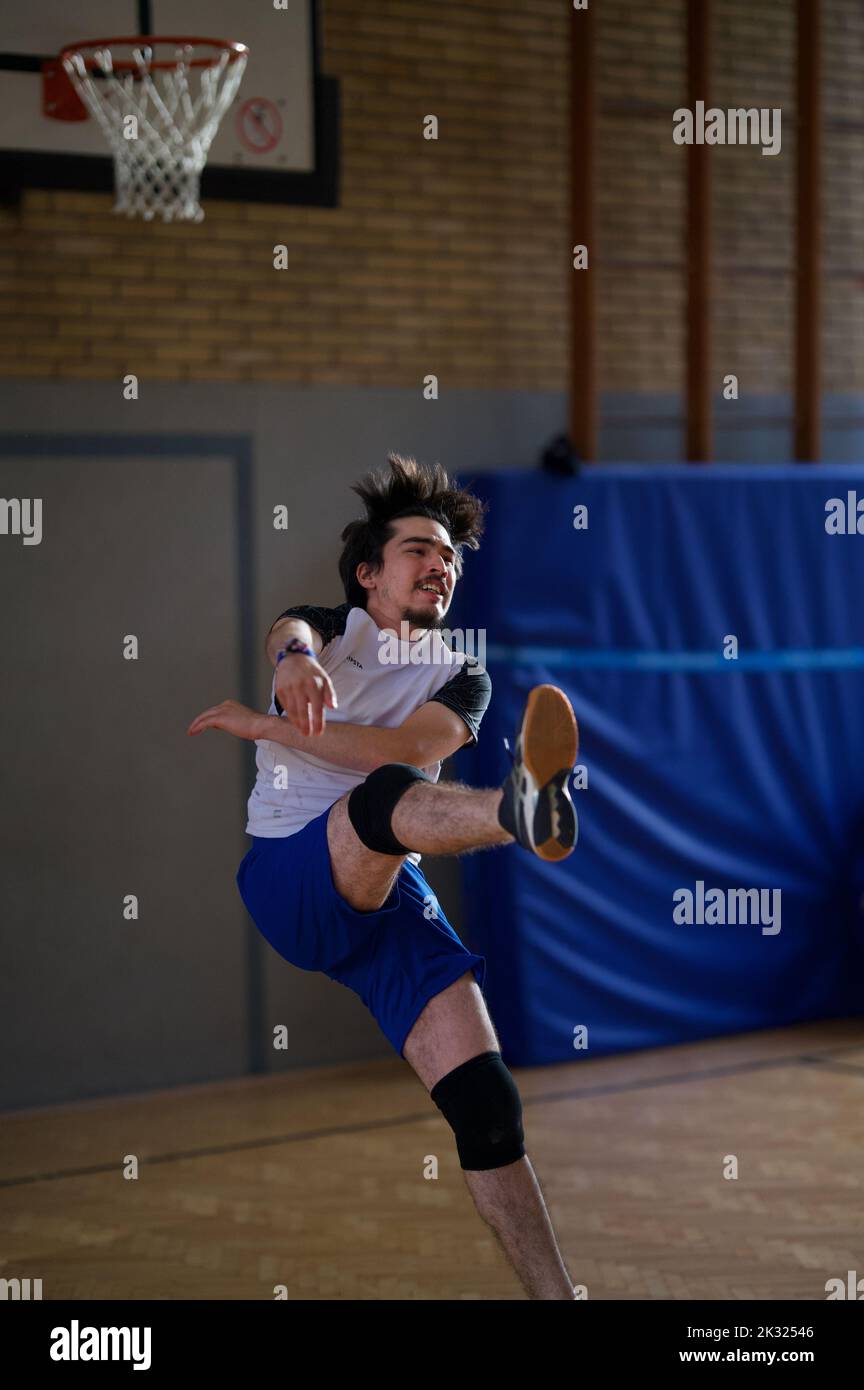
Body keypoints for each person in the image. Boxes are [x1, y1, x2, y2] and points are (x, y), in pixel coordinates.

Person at [188, 453, 580, 1299]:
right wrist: (289, 669)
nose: (441, 564)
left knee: (490, 1110)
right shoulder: (324, 631)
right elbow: (288, 636)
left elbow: (400, 750)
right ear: (369, 573)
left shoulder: (460, 673)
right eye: (418, 550)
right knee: (384, 801)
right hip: (290, 876)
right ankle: (518, 813)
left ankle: (558, 1297)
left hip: (389, 885)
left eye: (450, 556)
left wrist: (267, 728)